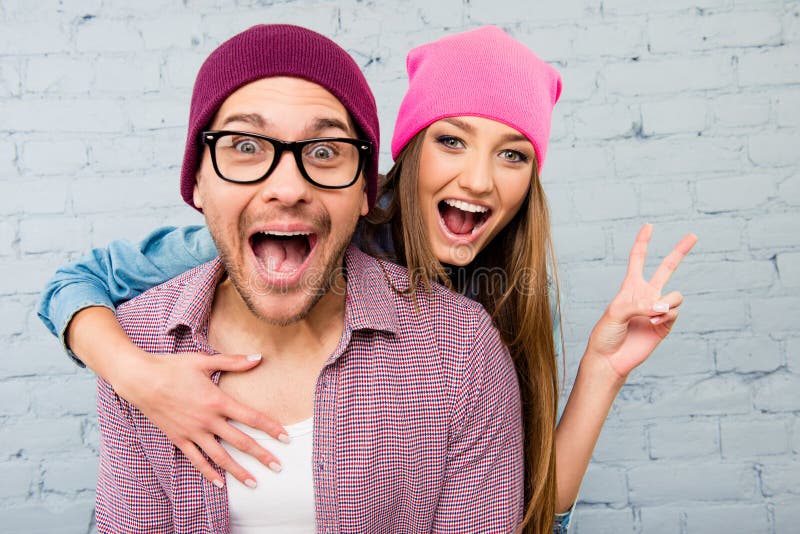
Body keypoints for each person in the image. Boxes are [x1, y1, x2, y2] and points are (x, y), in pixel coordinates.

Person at [38, 26, 697, 534]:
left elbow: (535, 508)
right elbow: (78, 281)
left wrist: (601, 369)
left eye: (513, 154)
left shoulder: (501, 303)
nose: (478, 180)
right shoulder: (296, 220)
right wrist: (136, 375)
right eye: (452, 140)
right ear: (403, 155)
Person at [65, 24, 525, 532]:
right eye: (245, 146)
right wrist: (132, 373)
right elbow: (78, 280)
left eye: (325, 152)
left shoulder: (461, 343)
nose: (287, 188)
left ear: (366, 190)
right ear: (196, 179)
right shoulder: (140, 348)